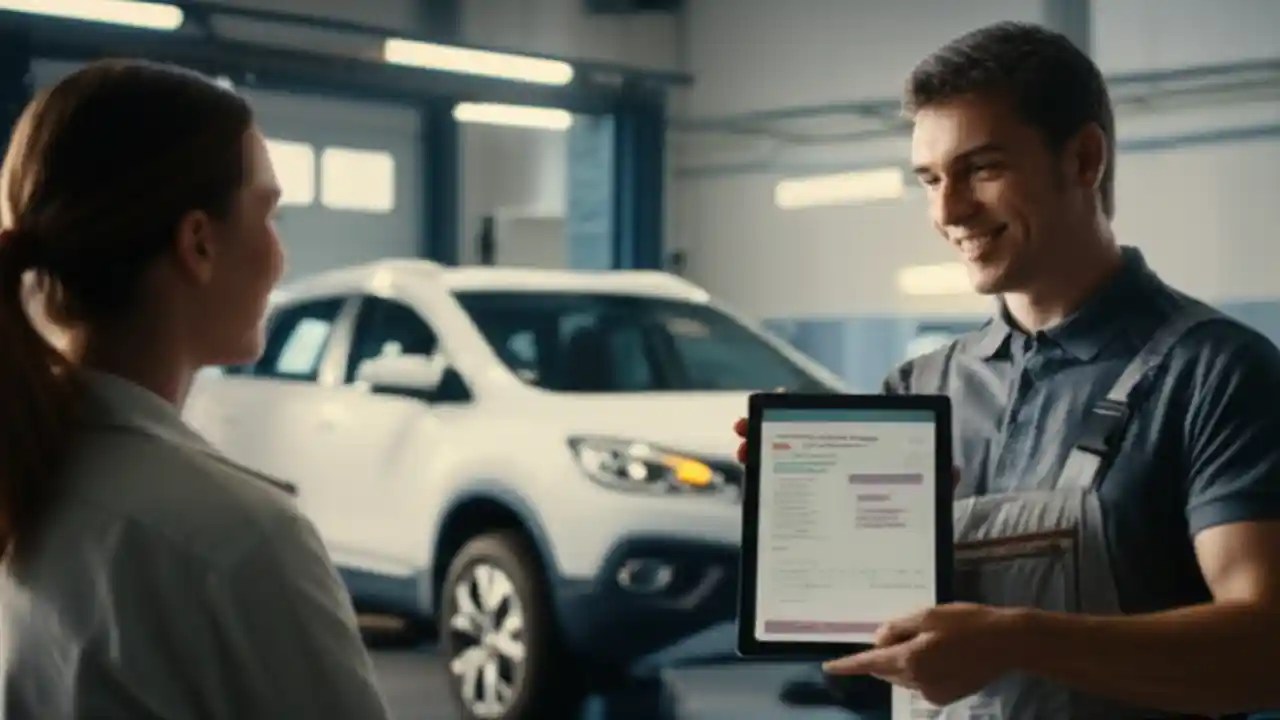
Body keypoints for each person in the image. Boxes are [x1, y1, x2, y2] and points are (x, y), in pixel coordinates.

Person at [735, 21, 1280, 720]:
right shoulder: (918, 391)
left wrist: (1019, 641)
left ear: (1084, 159)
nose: (948, 210)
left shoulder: (1216, 374)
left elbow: (1266, 650)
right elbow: (868, 663)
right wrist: (807, 529)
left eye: (982, 170)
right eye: (930, 179)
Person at [0, 60, 392, 719]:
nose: (280, 255)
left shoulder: (29, 477)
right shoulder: (240, 542)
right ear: (198, 243)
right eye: (269, 215)